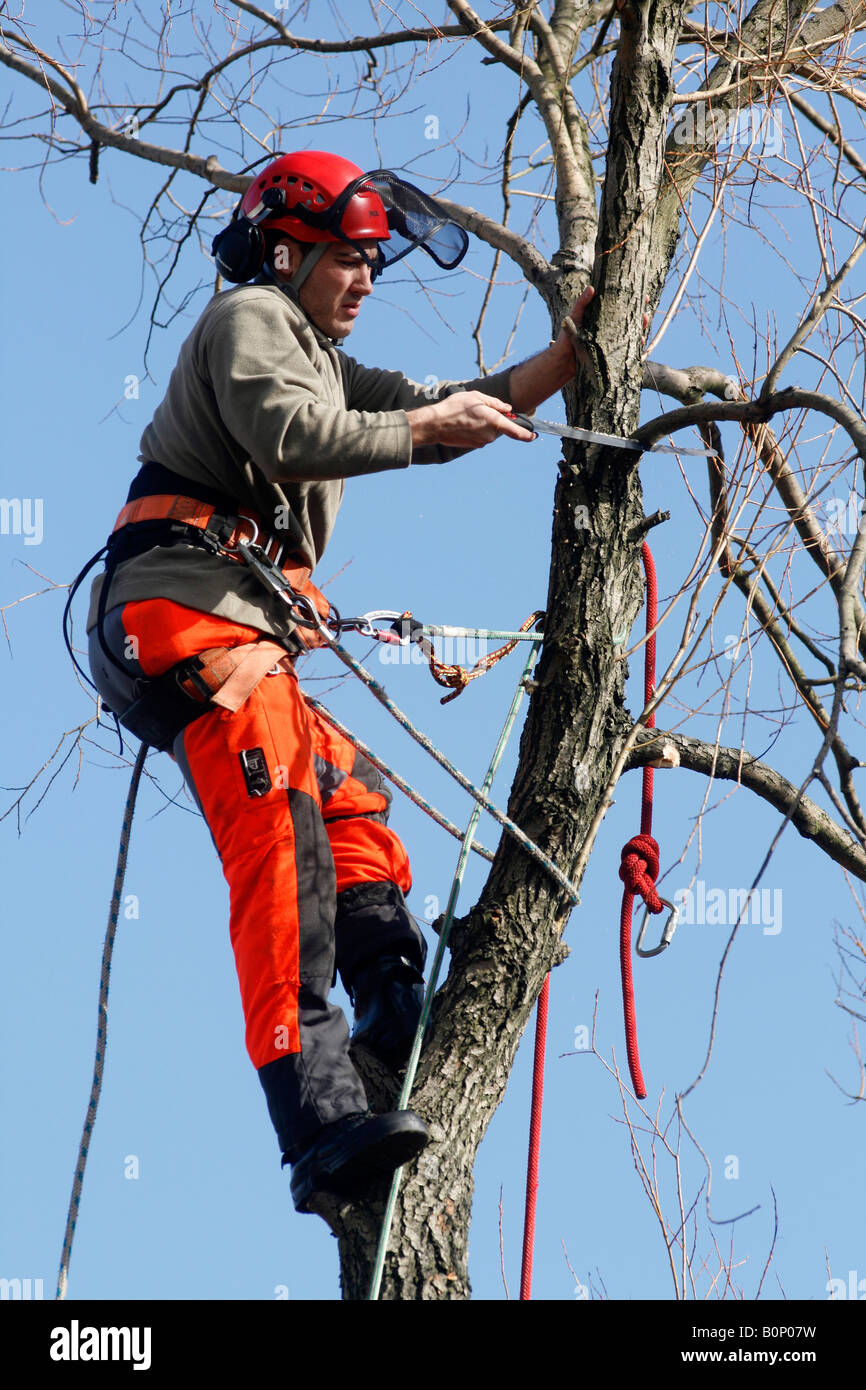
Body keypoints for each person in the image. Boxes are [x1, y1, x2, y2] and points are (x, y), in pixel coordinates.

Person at [84, 150, 593, 1214]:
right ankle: (315, 1119)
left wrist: (570, 352)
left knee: (351, 796)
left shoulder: (318, 353)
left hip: (238, 633)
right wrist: (419, 431)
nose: (364, 279)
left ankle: (388, 1019)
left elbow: (451, 404)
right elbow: (295, 435)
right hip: (181, 617)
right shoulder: (251, 322)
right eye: (346, 260)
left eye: (372, 262)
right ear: (285, 251)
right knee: (279, 835)